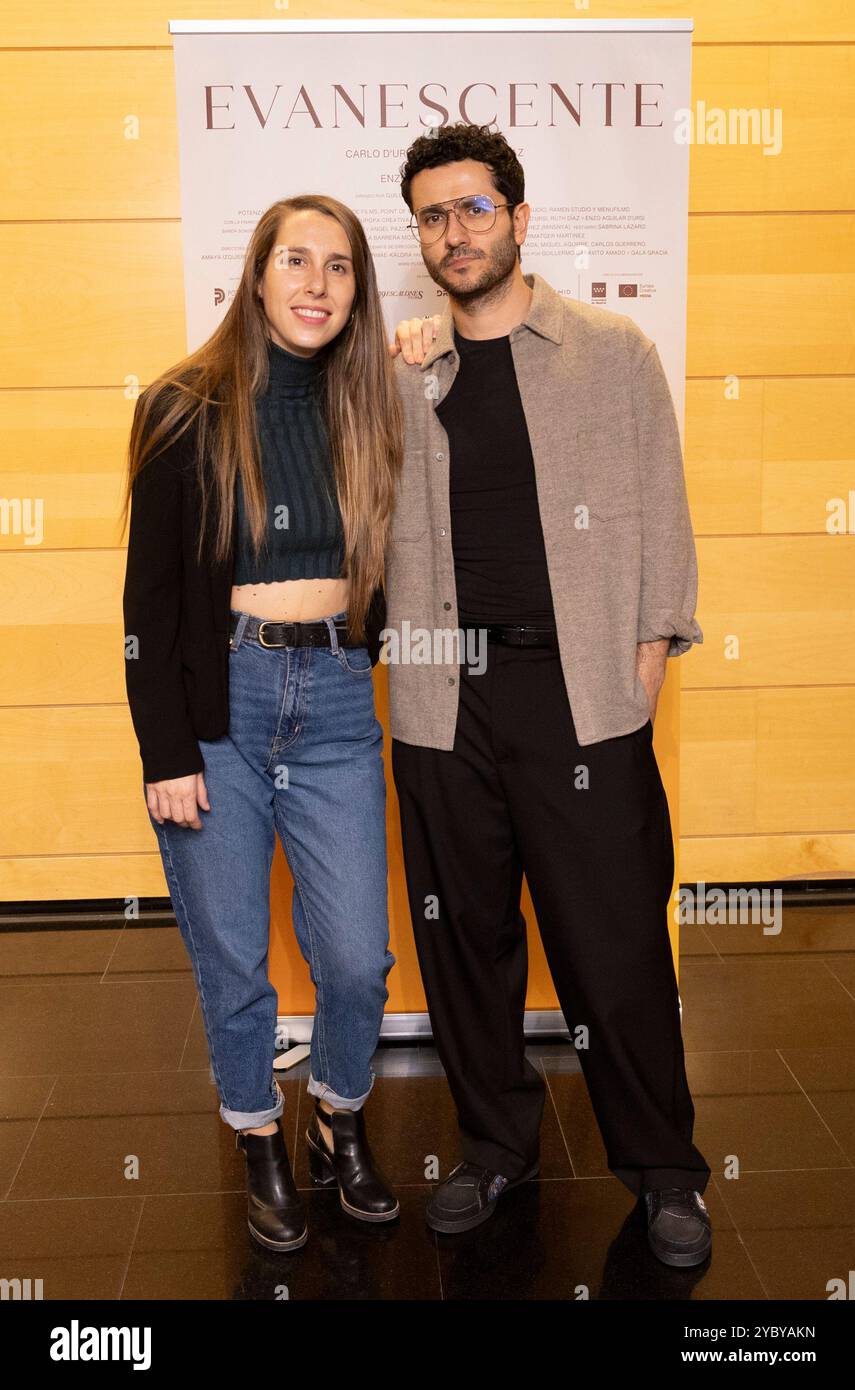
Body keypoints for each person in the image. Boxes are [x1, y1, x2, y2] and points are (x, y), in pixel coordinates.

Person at [384, 122, 713, 1268]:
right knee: (465, 940)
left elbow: (661, 515)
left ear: (518, 220)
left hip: (574, 689)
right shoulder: (403, 370)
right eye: (432, 214)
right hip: (437, 695)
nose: (453, 231)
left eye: (473, 208)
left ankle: (663, 1171)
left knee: (613, 942)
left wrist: (642, 665)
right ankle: (493, 1148)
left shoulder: (609, 349)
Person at [121, 194, 406, 1251]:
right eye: (296, 260)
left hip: (334, 699)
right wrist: (164, 751)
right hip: (218, 711)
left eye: (338, 267)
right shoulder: (182, 406)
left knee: (355, 962)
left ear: (356, 291)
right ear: (256, 273)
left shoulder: (370, 405)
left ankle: (336, 1117)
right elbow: (147, 607)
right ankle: (258, 1140)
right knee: (236, 961)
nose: (316, 284)